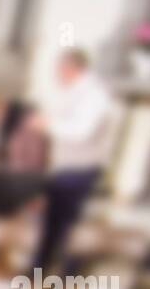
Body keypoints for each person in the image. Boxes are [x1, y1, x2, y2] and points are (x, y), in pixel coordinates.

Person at [28, 49, 118, 273]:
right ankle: (38, 271)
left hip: (81, 168)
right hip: (65, 167)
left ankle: (65, 276)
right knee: (51, 223)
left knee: (69, 227)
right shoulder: (75, 92)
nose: (57, 75)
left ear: (71, 68)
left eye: (59, 70)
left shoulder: (95, 95)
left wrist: (47, 125)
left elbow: (82, 132)